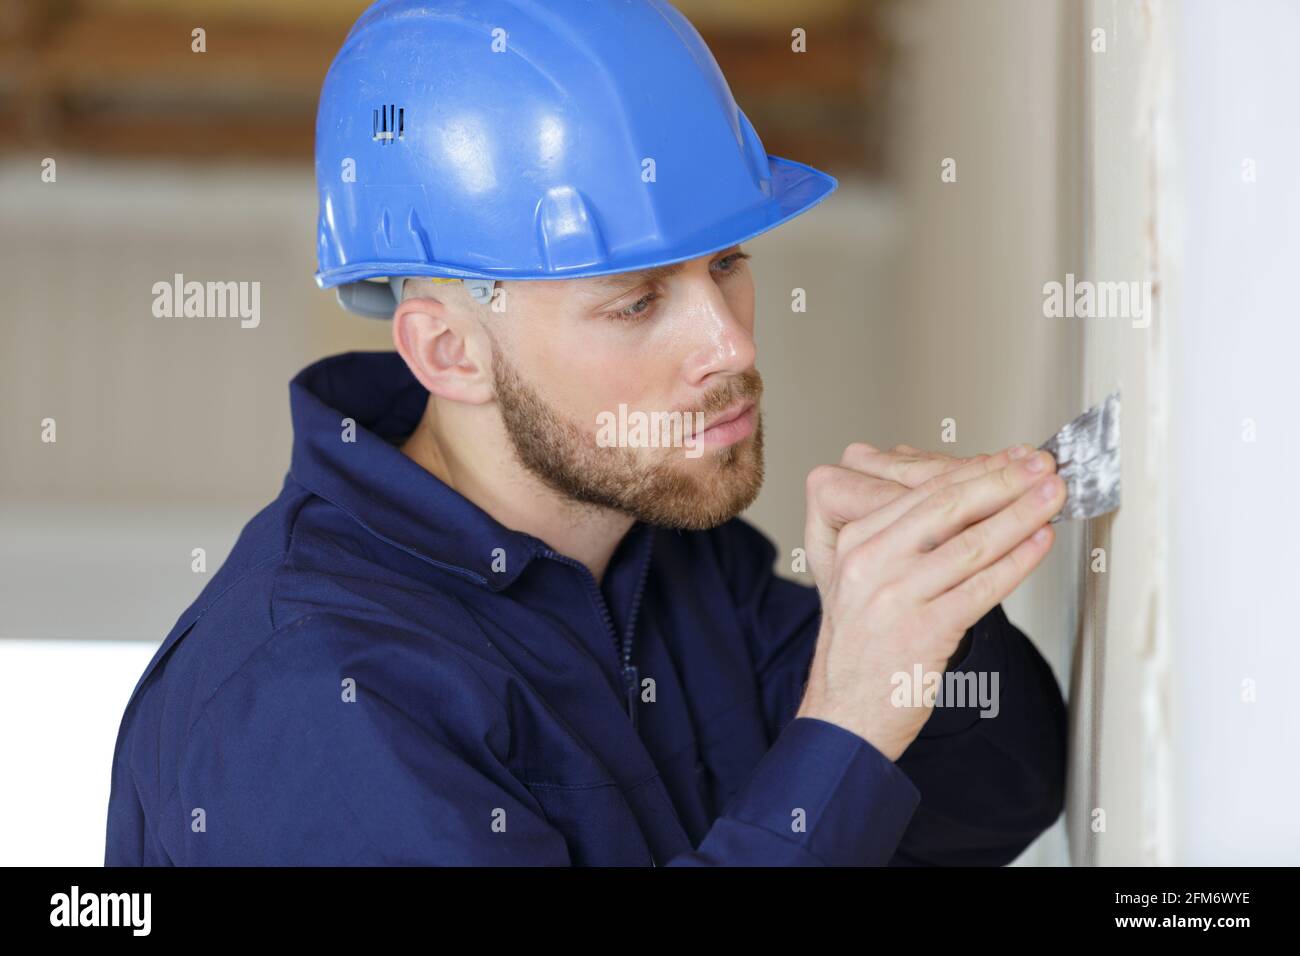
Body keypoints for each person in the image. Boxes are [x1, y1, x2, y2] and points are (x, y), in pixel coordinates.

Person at [105, 0, 1067, 866]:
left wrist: (925, 608)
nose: (729, 343)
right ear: (448, 351)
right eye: (637, 302)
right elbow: (845, 762)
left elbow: (990, 801)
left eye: (727, 262)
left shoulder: (667, 559)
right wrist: (847, 721)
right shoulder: (313, 696)